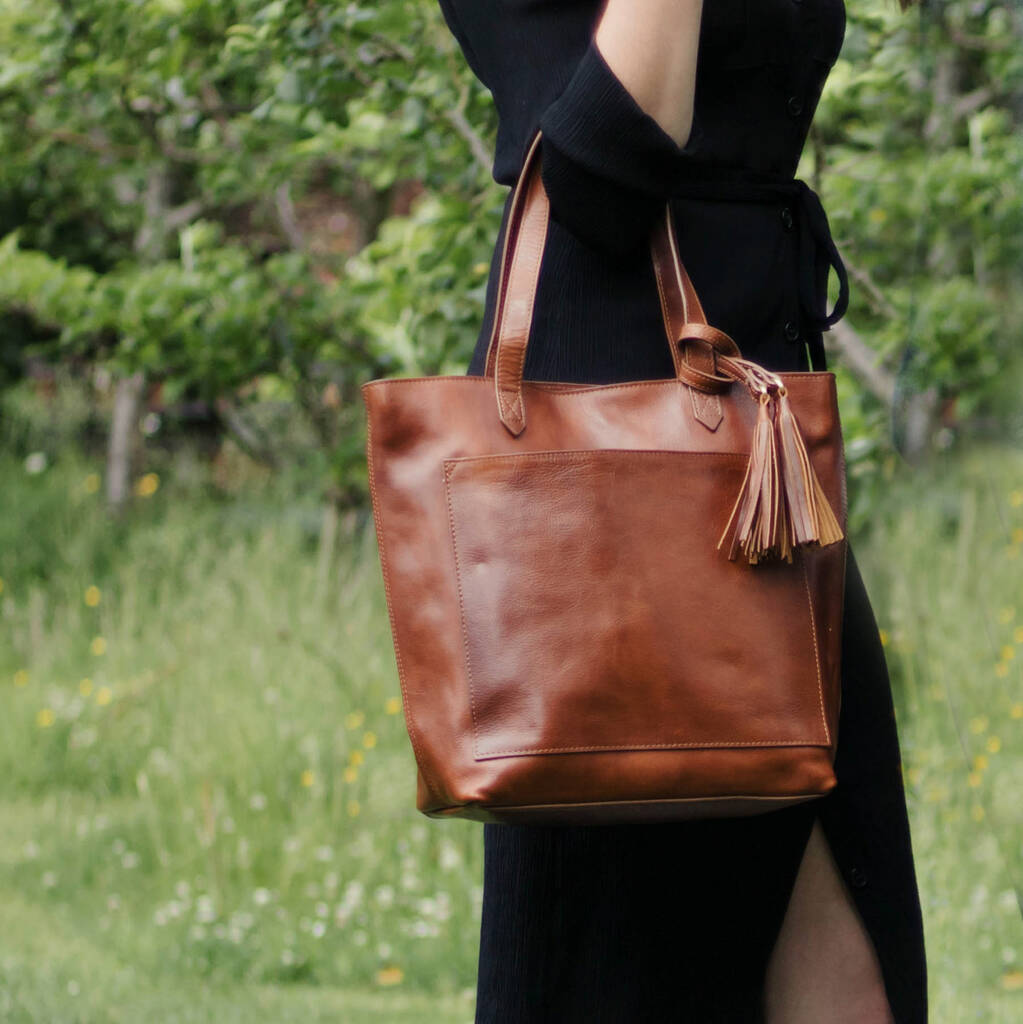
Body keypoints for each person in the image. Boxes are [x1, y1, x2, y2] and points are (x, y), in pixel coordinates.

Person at [435, 1, 928, 1021]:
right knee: (624, 963)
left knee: (855, 965)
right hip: (610, 455)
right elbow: (609, 158)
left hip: (763, 436)